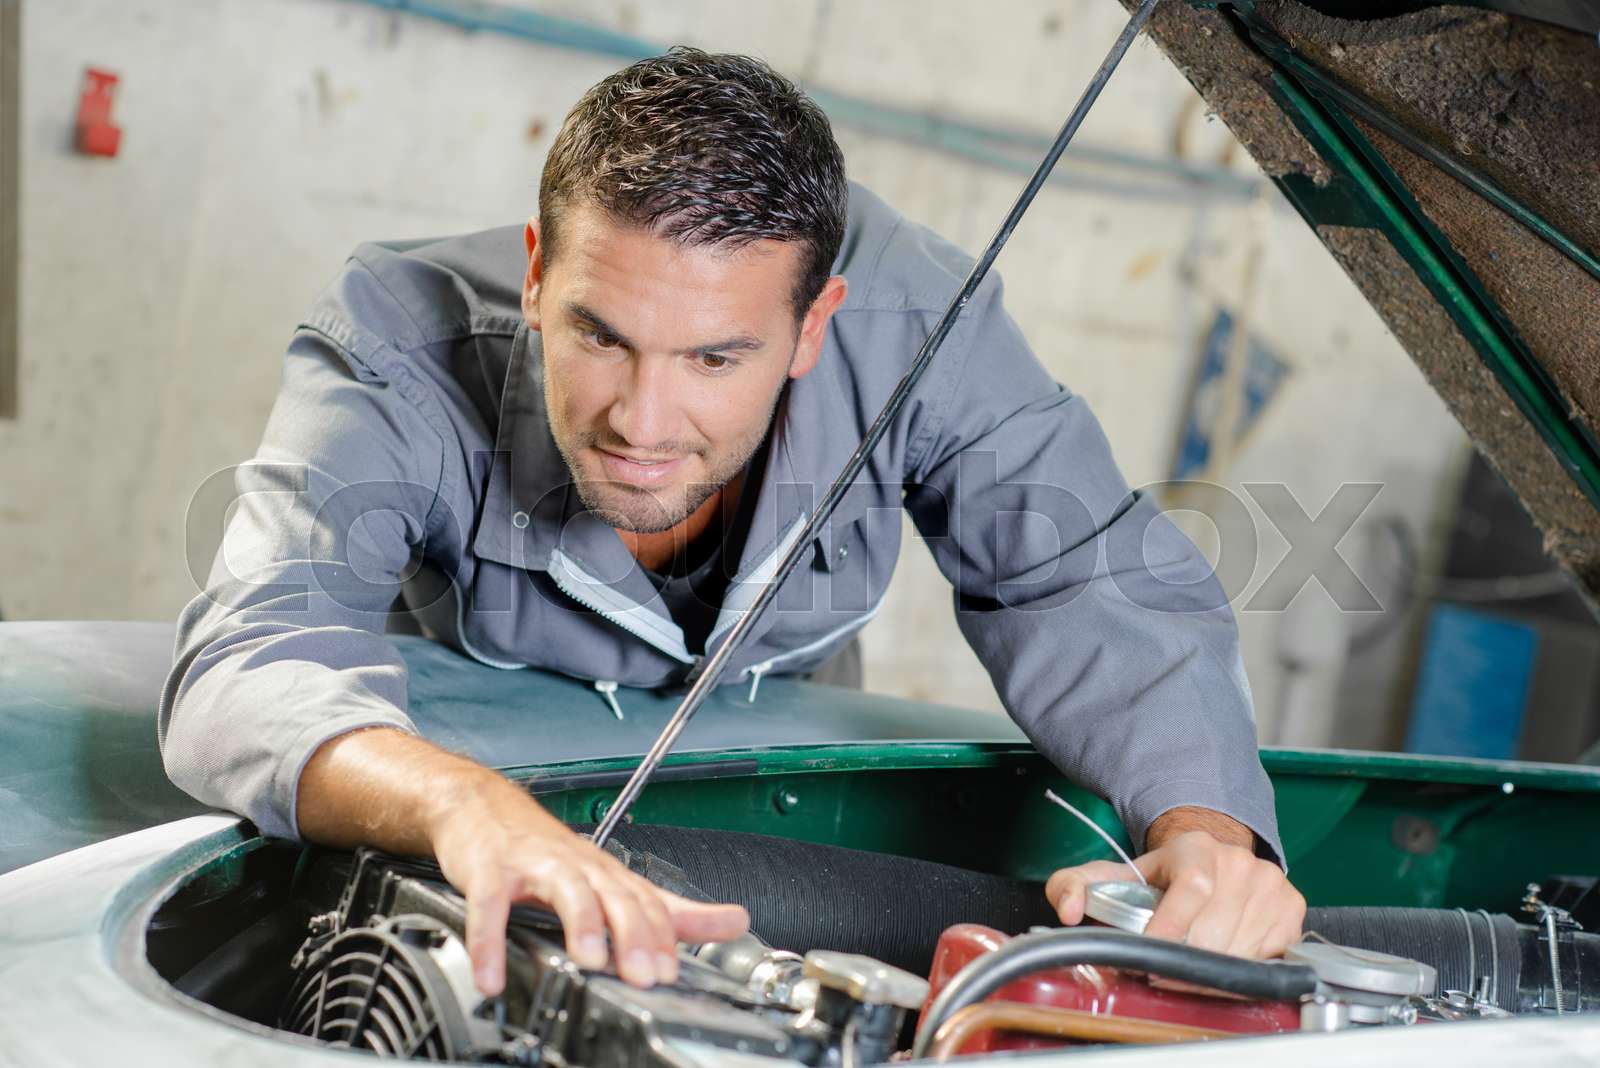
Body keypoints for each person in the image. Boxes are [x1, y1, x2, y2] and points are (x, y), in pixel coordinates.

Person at [159, 47, 1304, 999]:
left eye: (716, 357)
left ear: (815, 330)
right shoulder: (396, 341)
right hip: (476, 767)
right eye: (600, 334)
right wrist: (464, 806)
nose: (641, 423)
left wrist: (1204, 832)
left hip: (786, 797)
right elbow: (255, 656)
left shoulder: (922, 325)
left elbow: (1082, 575)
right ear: (537, 273)